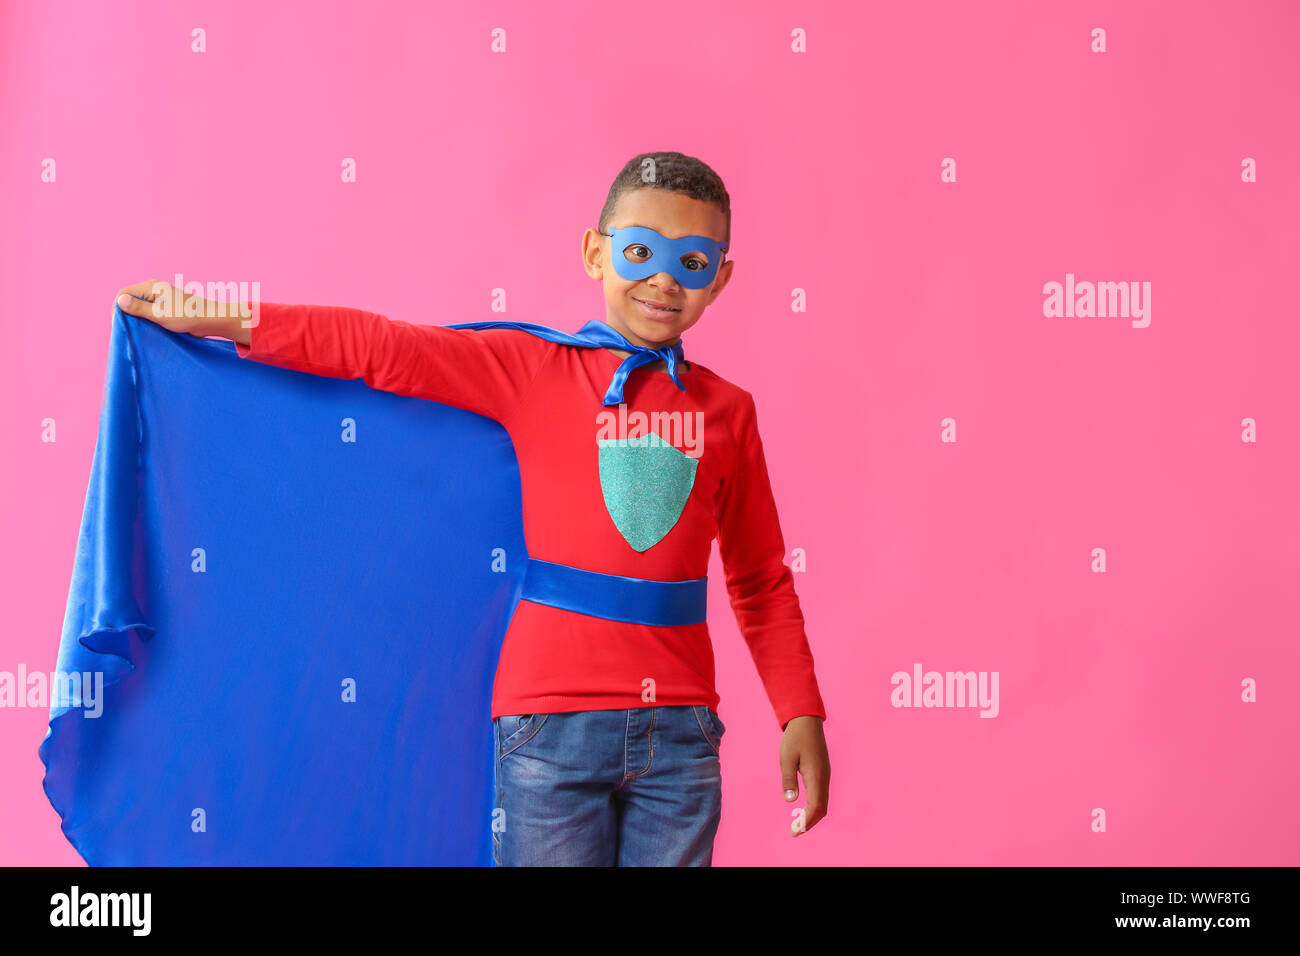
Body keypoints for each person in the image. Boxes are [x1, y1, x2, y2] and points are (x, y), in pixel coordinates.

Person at [115, 150, 830, 866]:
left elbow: (760, 579)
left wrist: (800, 711)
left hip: (681, 732)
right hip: (550, 725)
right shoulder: (531, 367)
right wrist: (220, 315)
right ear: (595, 251)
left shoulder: (728, 413)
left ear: (721, 278)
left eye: (693, 263)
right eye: (642, 251)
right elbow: (381, 347)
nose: (663, 280)